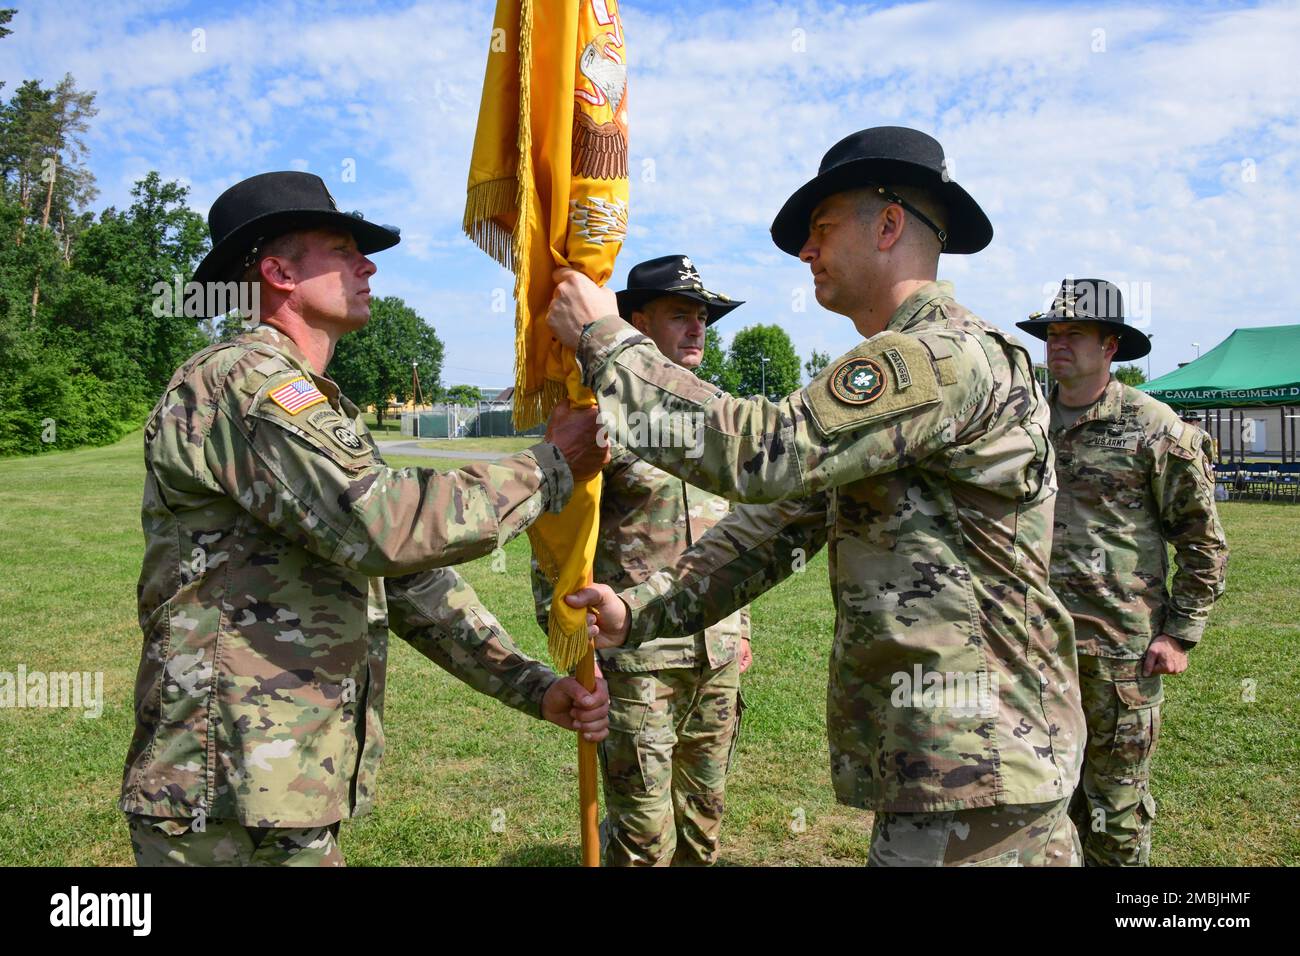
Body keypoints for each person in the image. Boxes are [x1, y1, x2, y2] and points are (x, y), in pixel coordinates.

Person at [547, 126, 1087, 866]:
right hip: (960, 761)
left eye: (823, 228)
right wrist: (641, 608)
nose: (807, 251)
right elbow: (779, 523)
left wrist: (606, 341)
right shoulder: (910, 366)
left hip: (979, 762)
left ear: (889, 223)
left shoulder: (937, 356)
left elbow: (763, 452)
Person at [121, 171, 611, 866]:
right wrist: (549, 466)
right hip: (218, 790)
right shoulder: (241, 380)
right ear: (279, 271)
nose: (368, 264)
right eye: (344, 248)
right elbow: (379, 525)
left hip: (283, 783)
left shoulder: (316, 405)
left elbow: (411, 582)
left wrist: (536, 685)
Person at [533, 254, 752, 866]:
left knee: (703, 823)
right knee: (642, 835)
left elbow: (736, 533)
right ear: (631, 321)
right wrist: (579, 657)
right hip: (636, 663)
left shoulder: (714, 417)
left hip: (716, 652)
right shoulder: (595, 420)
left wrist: (741, 627)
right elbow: (556, 547)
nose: (697, 329)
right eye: (680, 315)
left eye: (703, 317)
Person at [1017, 278, 1228, 866]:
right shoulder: (1026, 422)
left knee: (1113, 809)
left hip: (1119, 654)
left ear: (1110, 345)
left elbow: (1203, 540)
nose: (1058, 345)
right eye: (1052, 334)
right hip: (1035, 649)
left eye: (1074, 334)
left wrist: (1179, 632)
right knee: (1043, 803)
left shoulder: (1155, 427)